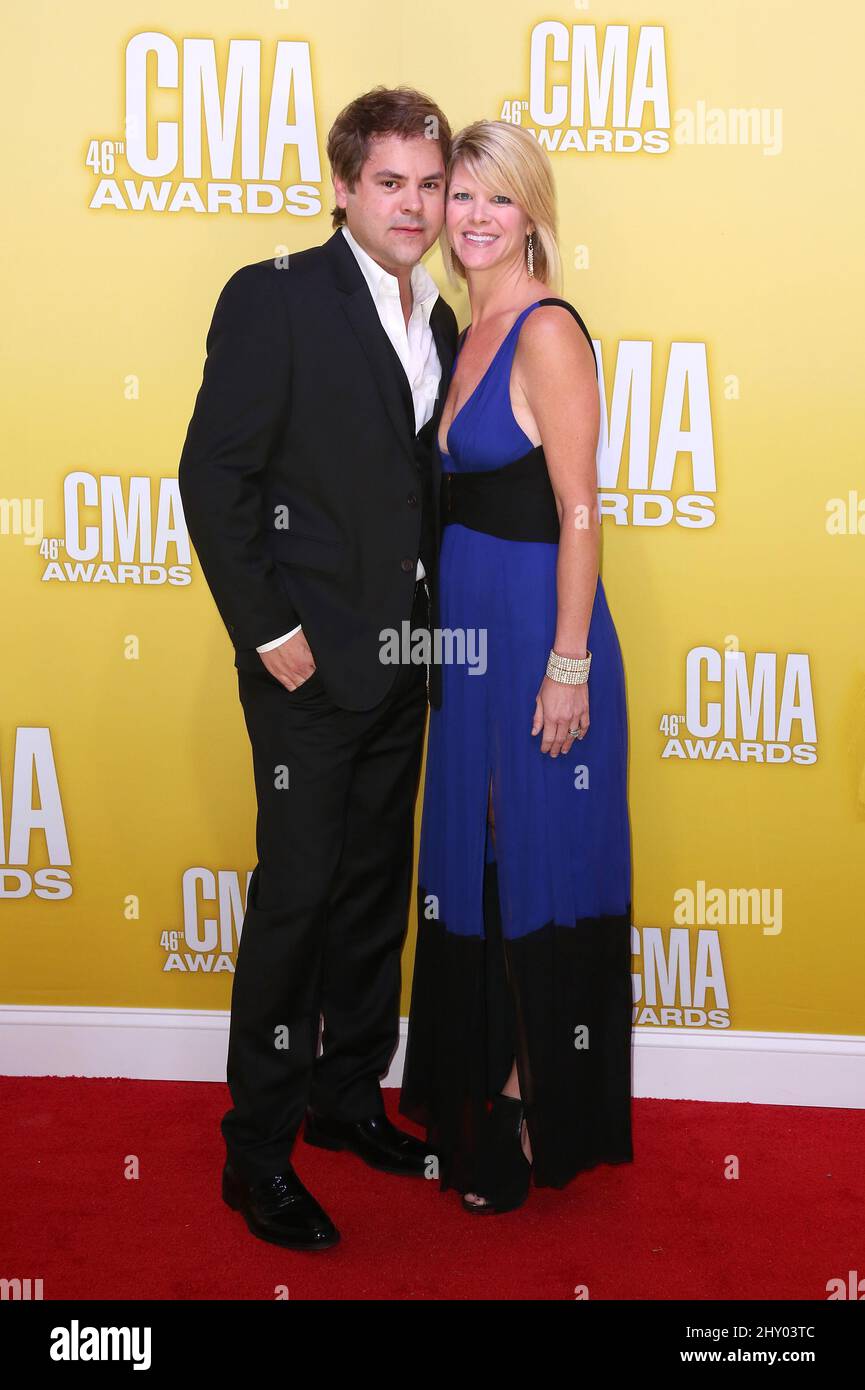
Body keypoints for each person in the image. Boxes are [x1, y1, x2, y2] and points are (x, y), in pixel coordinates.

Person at [178, 87, 458, 1250]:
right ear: (343, 185)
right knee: (293, 908)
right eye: (389, 181)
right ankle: (257, 1157)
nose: (414, 204)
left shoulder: (440, 317)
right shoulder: (274, 296)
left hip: (402, 660)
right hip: (304, 667)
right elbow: (213, 478)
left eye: (431, 184)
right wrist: (270, 632)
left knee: (368, 900)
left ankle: (348, 1102)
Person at [399, 120, 634, 1214]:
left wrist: (570, 664)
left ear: (532, 212)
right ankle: (484, 1088)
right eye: (462, 197)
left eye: (499, 199)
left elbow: (581, 510)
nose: (476, 217)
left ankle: (532, 1106)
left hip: (543, 640)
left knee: (535, 864)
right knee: (478, 859)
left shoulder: (545, 331)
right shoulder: (462, 324)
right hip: (470, 644)